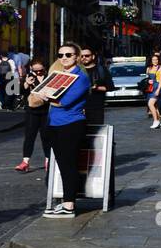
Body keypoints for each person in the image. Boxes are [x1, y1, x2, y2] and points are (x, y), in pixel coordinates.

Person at [30, 42, 90, 218]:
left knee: (69, 165)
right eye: (60, 55)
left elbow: (63, 102)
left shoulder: (81, 77)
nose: (64, 58)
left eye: (68, 55)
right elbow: (43, 95)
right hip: (54, 124)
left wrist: (45, 97)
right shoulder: (59, 75)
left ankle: (69, 205)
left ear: (77, 57)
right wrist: (39, 93)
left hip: (71, 124)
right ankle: (66, 202)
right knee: (62, 165)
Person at [15, 58, 51, 173]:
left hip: (46, 111)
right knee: (30, 136)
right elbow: (20, 92)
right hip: (32, 111)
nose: (38, 73)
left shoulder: (50, 77)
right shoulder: (29, 77)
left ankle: (48, 160)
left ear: (44, 68)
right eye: (36, 71)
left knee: (46, 137)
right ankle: (25, 162)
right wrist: (26, 84)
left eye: (40, 70)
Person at [79, 47, 112, 129]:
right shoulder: (77, 70)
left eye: (87, 56)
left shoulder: (101, 70)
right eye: (81, 56)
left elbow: (110, 87)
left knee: (94, 132)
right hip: (78, 108)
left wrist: (96, 88)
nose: (84, 58)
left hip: (96, 108)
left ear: (93, 57)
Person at [145, 51, 161, 129]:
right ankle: (158, 120)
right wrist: (148, 81)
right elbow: (147, 78)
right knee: (155, 105)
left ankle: (155, 121)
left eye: (156, 60)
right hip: (150, 88)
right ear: (151, 61)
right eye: (153, 60)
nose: (155, 61)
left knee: (150, 104)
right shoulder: (148, 68)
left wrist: (158, 89)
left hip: (157, 87)